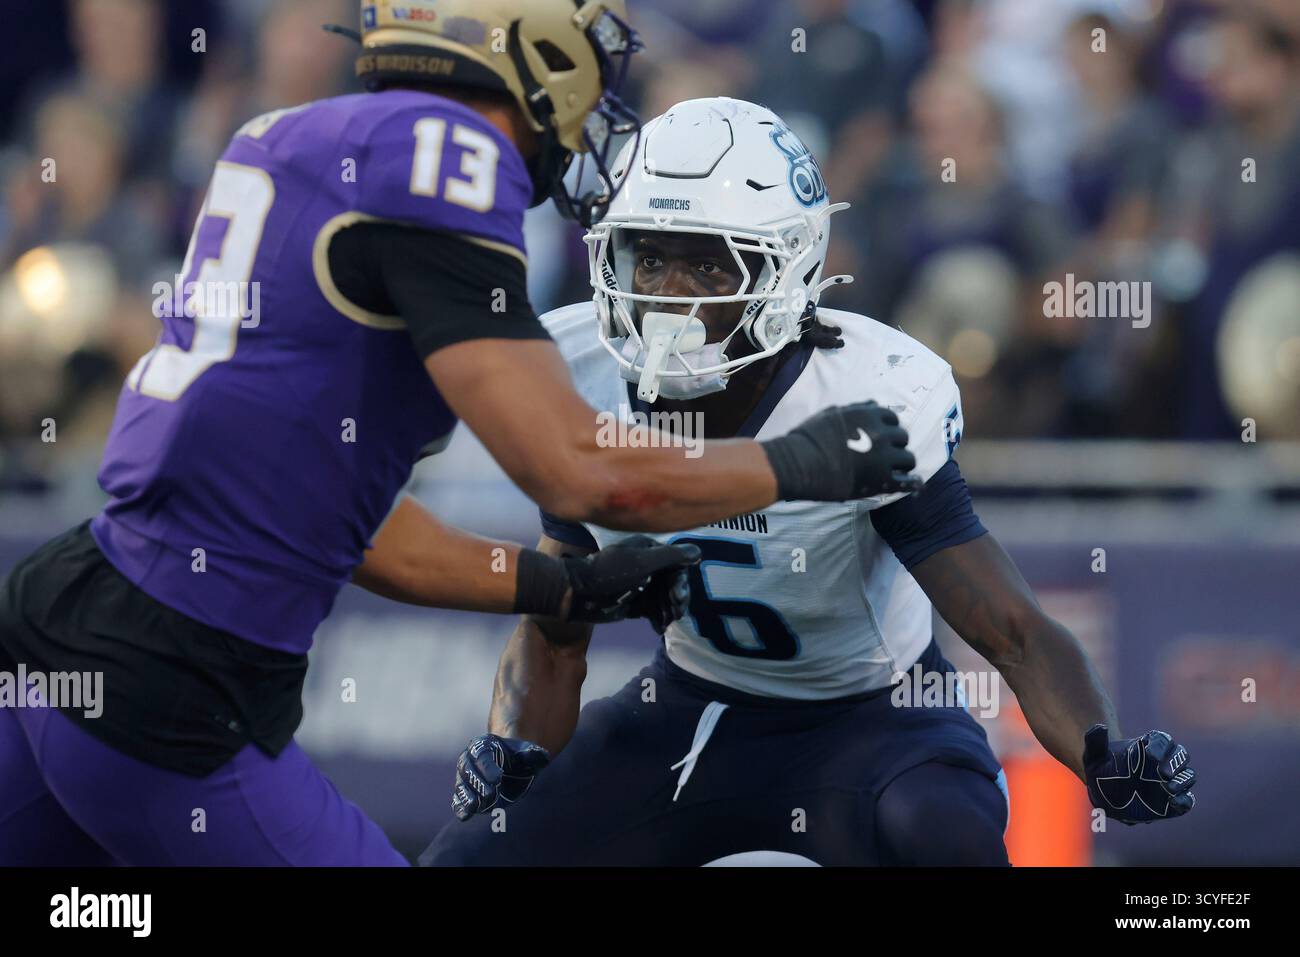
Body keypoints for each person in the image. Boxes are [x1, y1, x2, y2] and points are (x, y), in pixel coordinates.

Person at [0, 7, 921, 866]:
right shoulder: (444, 155)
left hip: (72, 630)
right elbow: (579, 467)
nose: (594, 103)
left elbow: (341, 521)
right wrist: (793, 462)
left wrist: (558, 583)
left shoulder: (293, 134)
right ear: (524, 46)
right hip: (172, 694)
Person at [422, 98, 1198, 867]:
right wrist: (514, 751)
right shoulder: (578, 370)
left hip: (870, 724)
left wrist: (1103, 749)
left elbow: (1013, 630)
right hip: (692, 706)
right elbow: (556, 642)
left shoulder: (867, 396)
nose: (668, 292)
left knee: (945, 838)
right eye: (649, 257)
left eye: (707, 261)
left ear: (785, 267)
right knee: (474, 852)